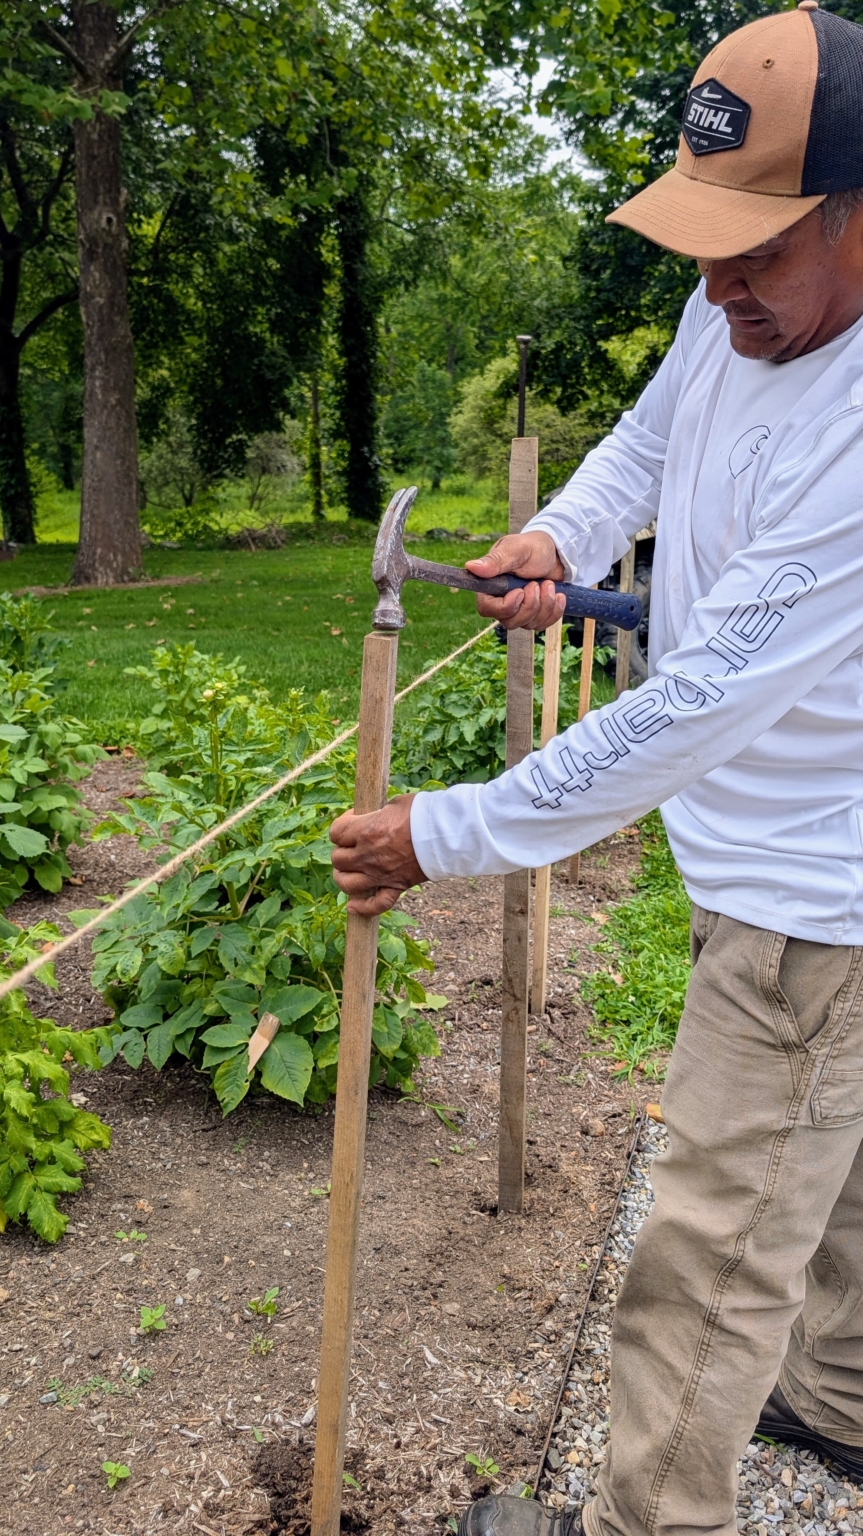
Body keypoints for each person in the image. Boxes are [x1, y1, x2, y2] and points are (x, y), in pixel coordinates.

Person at [330, 6, 863, 1535]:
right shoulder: (740, 308)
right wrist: (566, 533)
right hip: (782, 840)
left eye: (754, 249)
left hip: (813, 894)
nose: (717, 285)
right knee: (842, 1175)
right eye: (702, 246)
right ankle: (841, 1403)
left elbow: (699, 699)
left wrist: (454, 831)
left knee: (710, 1251)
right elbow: (645, 438)